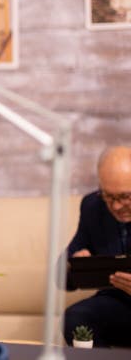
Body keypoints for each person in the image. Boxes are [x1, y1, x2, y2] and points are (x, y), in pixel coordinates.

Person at [63, 146, 131, 347]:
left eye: (125, 197)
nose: (116, 206)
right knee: (75, 319)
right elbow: (62, 277)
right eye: (109, 196)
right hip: (117, 303)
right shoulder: (93, 206)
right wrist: (75, 264)